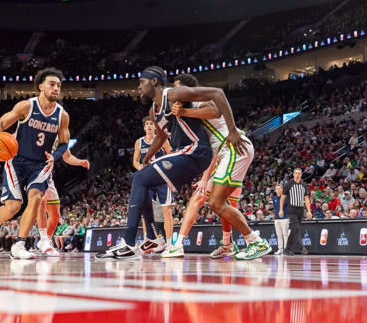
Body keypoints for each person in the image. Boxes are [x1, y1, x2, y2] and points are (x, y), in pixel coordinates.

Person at [97, 66, 253, 260]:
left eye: (141, 83)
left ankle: (133, 243)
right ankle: (155, 239)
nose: (138, 88)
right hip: (202, 154)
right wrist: (146, 160)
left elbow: (216, 101)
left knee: (213, 201)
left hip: (207, 149)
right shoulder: (156, 111)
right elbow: (160, 137)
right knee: (143, 180)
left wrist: (231, 130)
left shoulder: (176, 97)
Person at [161, 74, 262, 260]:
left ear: (187, 89)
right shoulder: (188, 109)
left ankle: (255, 241)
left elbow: (215, 111)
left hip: (233, 147)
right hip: (225, 153)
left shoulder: (200, 101)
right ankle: (228, 244)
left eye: (177, 88)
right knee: (218, 203)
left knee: (215, 202)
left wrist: (183, 112)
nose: (174, 93)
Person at [0, 68, 72, 259]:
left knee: (37, 198)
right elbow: (2, 123)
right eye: (52, 84)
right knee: (13, 207)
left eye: (59, 86)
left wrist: (55, 156)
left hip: (41, 164)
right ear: (40, 86)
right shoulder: (26, 106)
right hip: (17, 162)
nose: (56, 88)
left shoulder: (62, 115)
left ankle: (19, 245)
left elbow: (64, 144)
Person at [35, 150, 90, 256]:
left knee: (55, 216)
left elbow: (67, 156)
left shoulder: (59, 136)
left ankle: (46, 241)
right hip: (33, 176)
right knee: (40, 201)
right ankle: (43, 238)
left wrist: (80, 162)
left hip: (48, 179)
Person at [132, 117, 172, 253]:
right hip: (147, 178)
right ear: (144, 128)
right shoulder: (139, 142)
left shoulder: (162, 139)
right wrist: (142, 169)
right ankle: (148, 239)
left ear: (155, 127)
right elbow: (135, 162)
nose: (149, 126)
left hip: (161, 177)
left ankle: (170, 243)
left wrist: (167, 168)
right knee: (146, 211)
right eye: (147, 124)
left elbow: (171, 154)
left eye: (151, 124)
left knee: (167, 210)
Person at [280, 168, 313, 255]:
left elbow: (306, 198)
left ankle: (287, 249)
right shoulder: (288, 184)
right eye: (296, 173)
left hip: (301, 210)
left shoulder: (304, 185)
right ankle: (302, 248)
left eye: (299, 173)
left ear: (301, 175)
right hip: (292, 209)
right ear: (293, 174)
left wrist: (309, 211)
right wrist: (281, 209)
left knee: (294, 230)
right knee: (297, 229)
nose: (297, 174)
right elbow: (282, 197)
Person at [273, 184, 290, 255]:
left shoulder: (285, 197)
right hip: (277, 219)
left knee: (285, 234)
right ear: (275, 190)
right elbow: (275, 208)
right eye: (277, 189)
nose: (278, 190)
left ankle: (286, 249)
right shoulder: (274, 198)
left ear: (282, 189)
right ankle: (280, 249)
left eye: (279, 188)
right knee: (279, 235)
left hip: (285, 218)